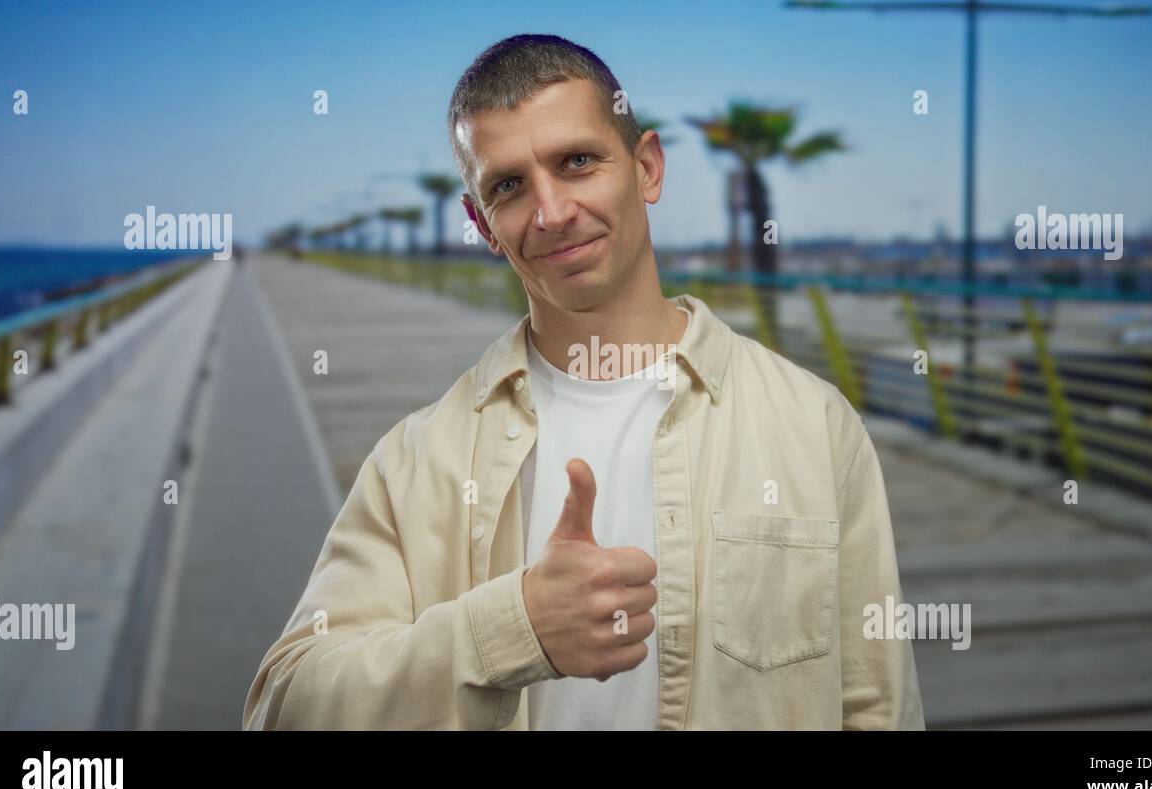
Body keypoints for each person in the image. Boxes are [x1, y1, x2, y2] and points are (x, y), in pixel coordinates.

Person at [243, 33, 923, 731]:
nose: (552, 212)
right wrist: (512, 628)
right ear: (482, 225)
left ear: (647, 168)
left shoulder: (815, 424)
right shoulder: (414, 461)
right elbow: (282, 707)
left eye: (577, 162)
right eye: (508, 186)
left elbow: (877, 708)